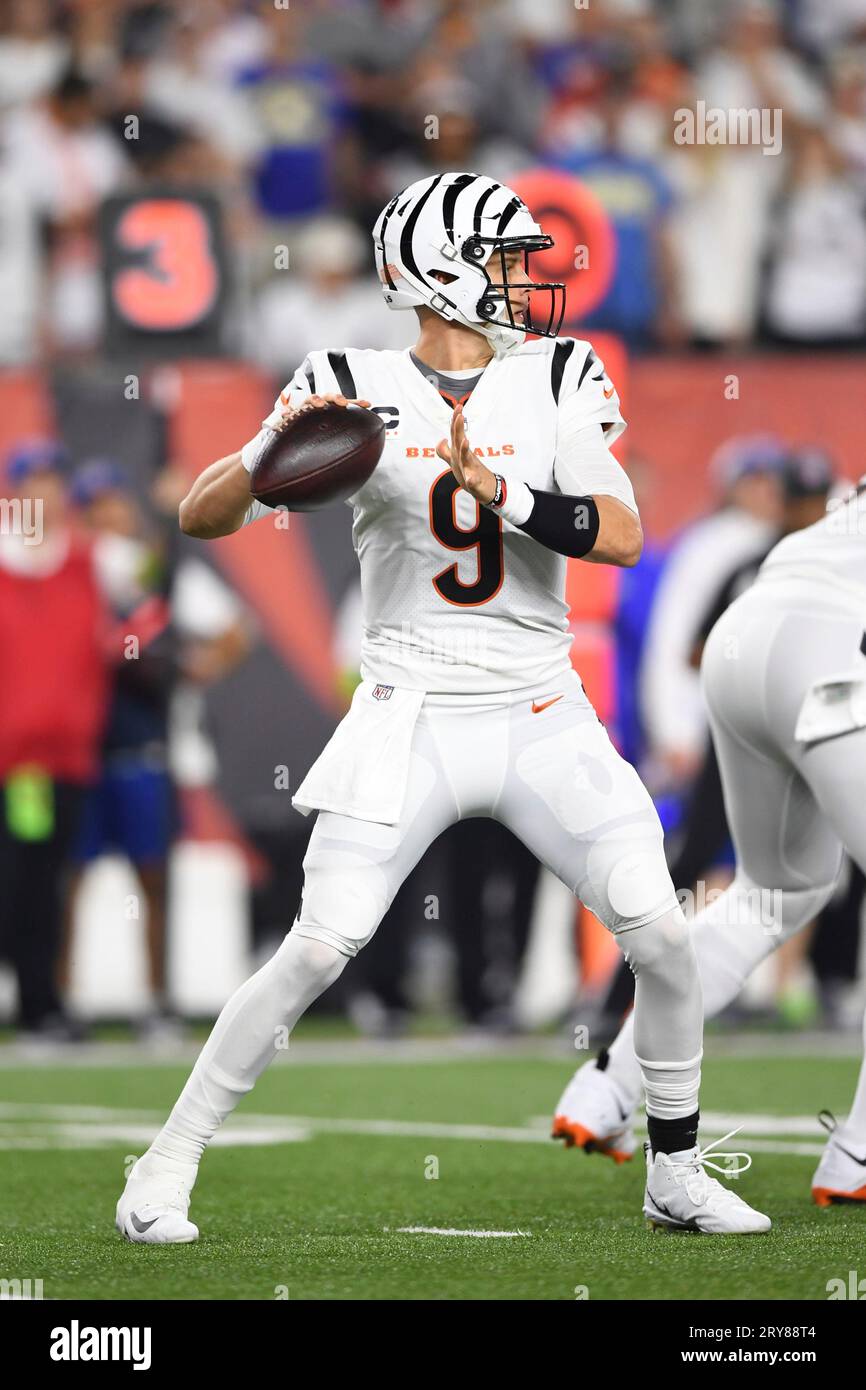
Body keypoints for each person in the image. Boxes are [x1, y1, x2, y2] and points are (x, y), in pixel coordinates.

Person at [116, 170, 769, 1242]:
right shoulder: (345, 377)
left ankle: (675, 1170)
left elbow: (616, 532)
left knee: (657, 934)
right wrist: (270, 465)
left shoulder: (559, 372)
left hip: (539, 705)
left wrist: (503, 494)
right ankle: (164, 1162)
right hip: (408, 702)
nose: (525, 280)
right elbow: (201, 514)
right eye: (506, 260)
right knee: (319, 947)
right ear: (442, 270)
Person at [552, 472, 866, 1207]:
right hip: (833, 650)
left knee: (778, 892)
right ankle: (857, 1152)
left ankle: (607, 1085)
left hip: (749, 636)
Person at [0, 442, 109, 1038]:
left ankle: (41, 1000)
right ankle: (39, 1004)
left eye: (52, 482)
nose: (43, 495)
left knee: (47, 878)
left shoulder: (93, 562)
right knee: (26, 879)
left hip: (67, 756)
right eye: (31, 483)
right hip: (17, 761)